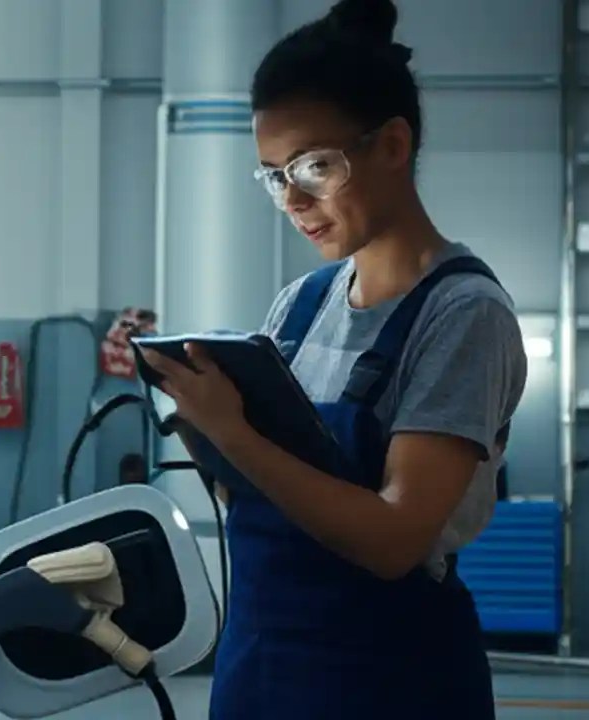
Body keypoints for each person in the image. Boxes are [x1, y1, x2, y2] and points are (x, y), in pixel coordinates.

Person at [141, 0, 527, 718]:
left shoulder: (464, 315)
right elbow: (252, 497)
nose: (292, 198)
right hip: (261, 666)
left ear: (392, 145)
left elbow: (394, 540)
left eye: (314, 165)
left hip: (388, 680)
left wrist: (233, 434)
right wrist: (197, 419)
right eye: (272, 174)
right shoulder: (299, 305)